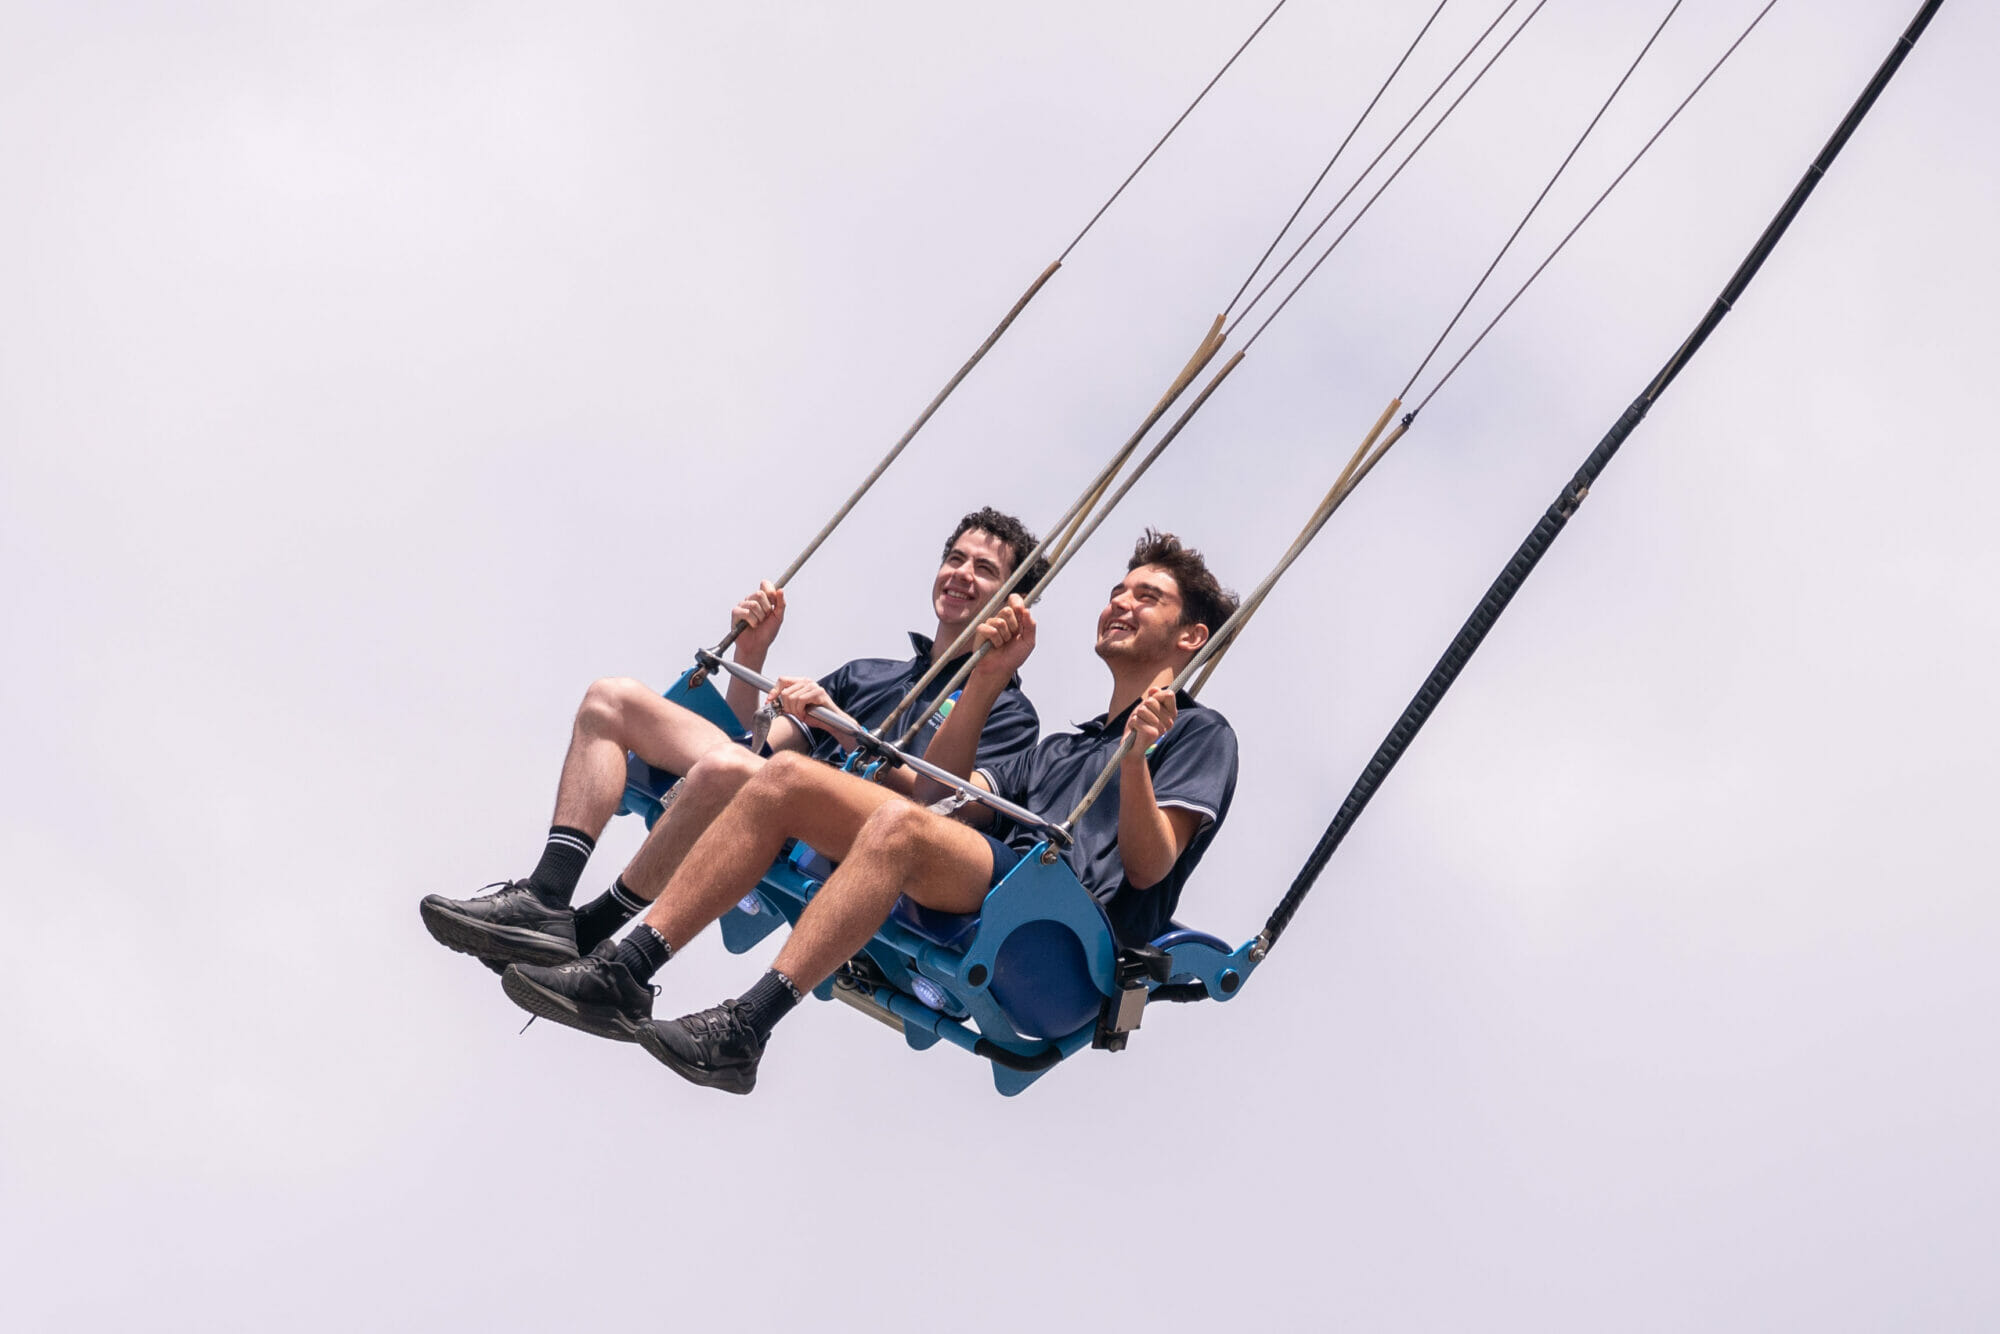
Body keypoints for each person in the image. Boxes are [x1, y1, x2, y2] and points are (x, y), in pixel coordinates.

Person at [503, 529, 1239, 1094]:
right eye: (1120, 589)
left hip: (1065, 937)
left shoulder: (1201, 734)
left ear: (1190, 637)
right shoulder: (1058, 751)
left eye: (1147, 597)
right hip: (1000, 886)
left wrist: (1139, 758)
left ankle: (744, 1028)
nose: (1121, 602)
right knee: (782, 776)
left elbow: (1150, 864)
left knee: (888, 825)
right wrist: (985, 678)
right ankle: (623, 967)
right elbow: (944, 799)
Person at [419, 507, 1047, 978]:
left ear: (1013, 603)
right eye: (956, 558)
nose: (961, 575)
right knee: (611, 698)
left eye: (984, 569)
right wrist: (753, 652)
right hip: (770, 781)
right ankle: (546, 896)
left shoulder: (1009, 715)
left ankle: (596, 927)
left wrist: (845, 733)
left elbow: (948, 813)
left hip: (836, 831)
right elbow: (755, 745)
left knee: (733, 772)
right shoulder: (869, 674)